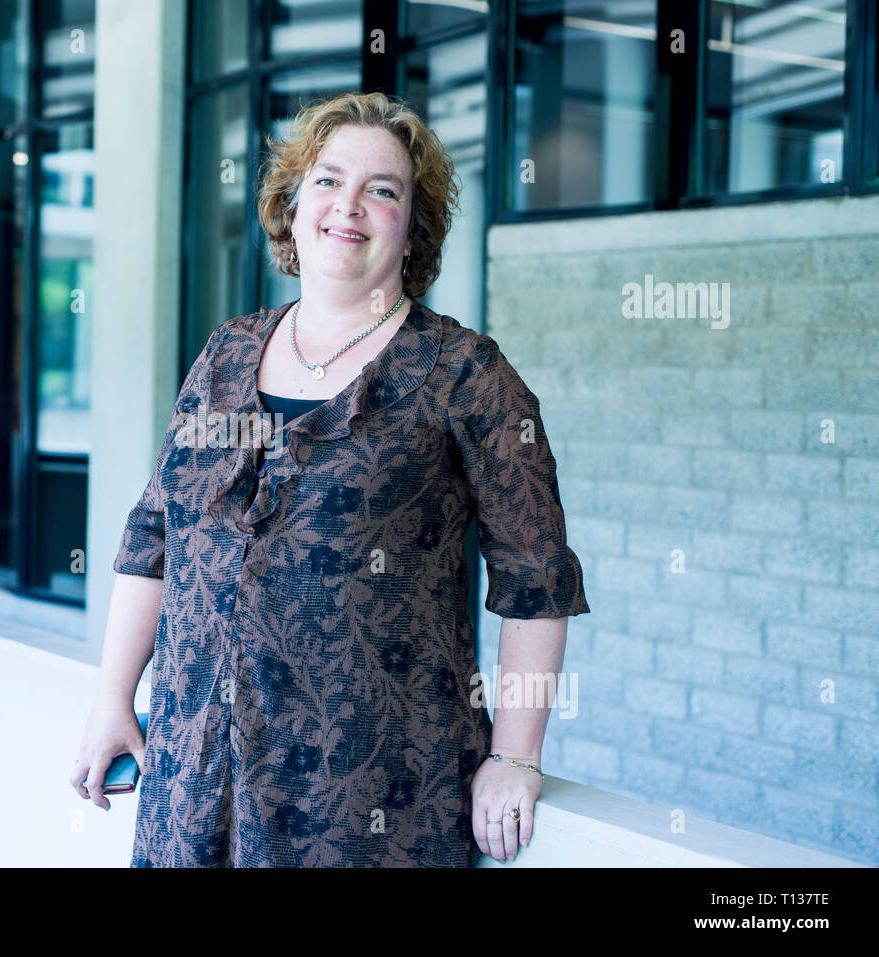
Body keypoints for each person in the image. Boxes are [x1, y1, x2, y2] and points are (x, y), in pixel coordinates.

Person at [69, 90, 590, 866]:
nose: (349, 205)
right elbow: (156, 537)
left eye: (383, 190)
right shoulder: (226, 354)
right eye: (328, 180)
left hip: (368, 805)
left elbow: (536, 578)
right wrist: (114, 696)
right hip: (194, 782)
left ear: (413, 226)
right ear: (292, 201)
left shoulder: (465, 375)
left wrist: (515, 756)